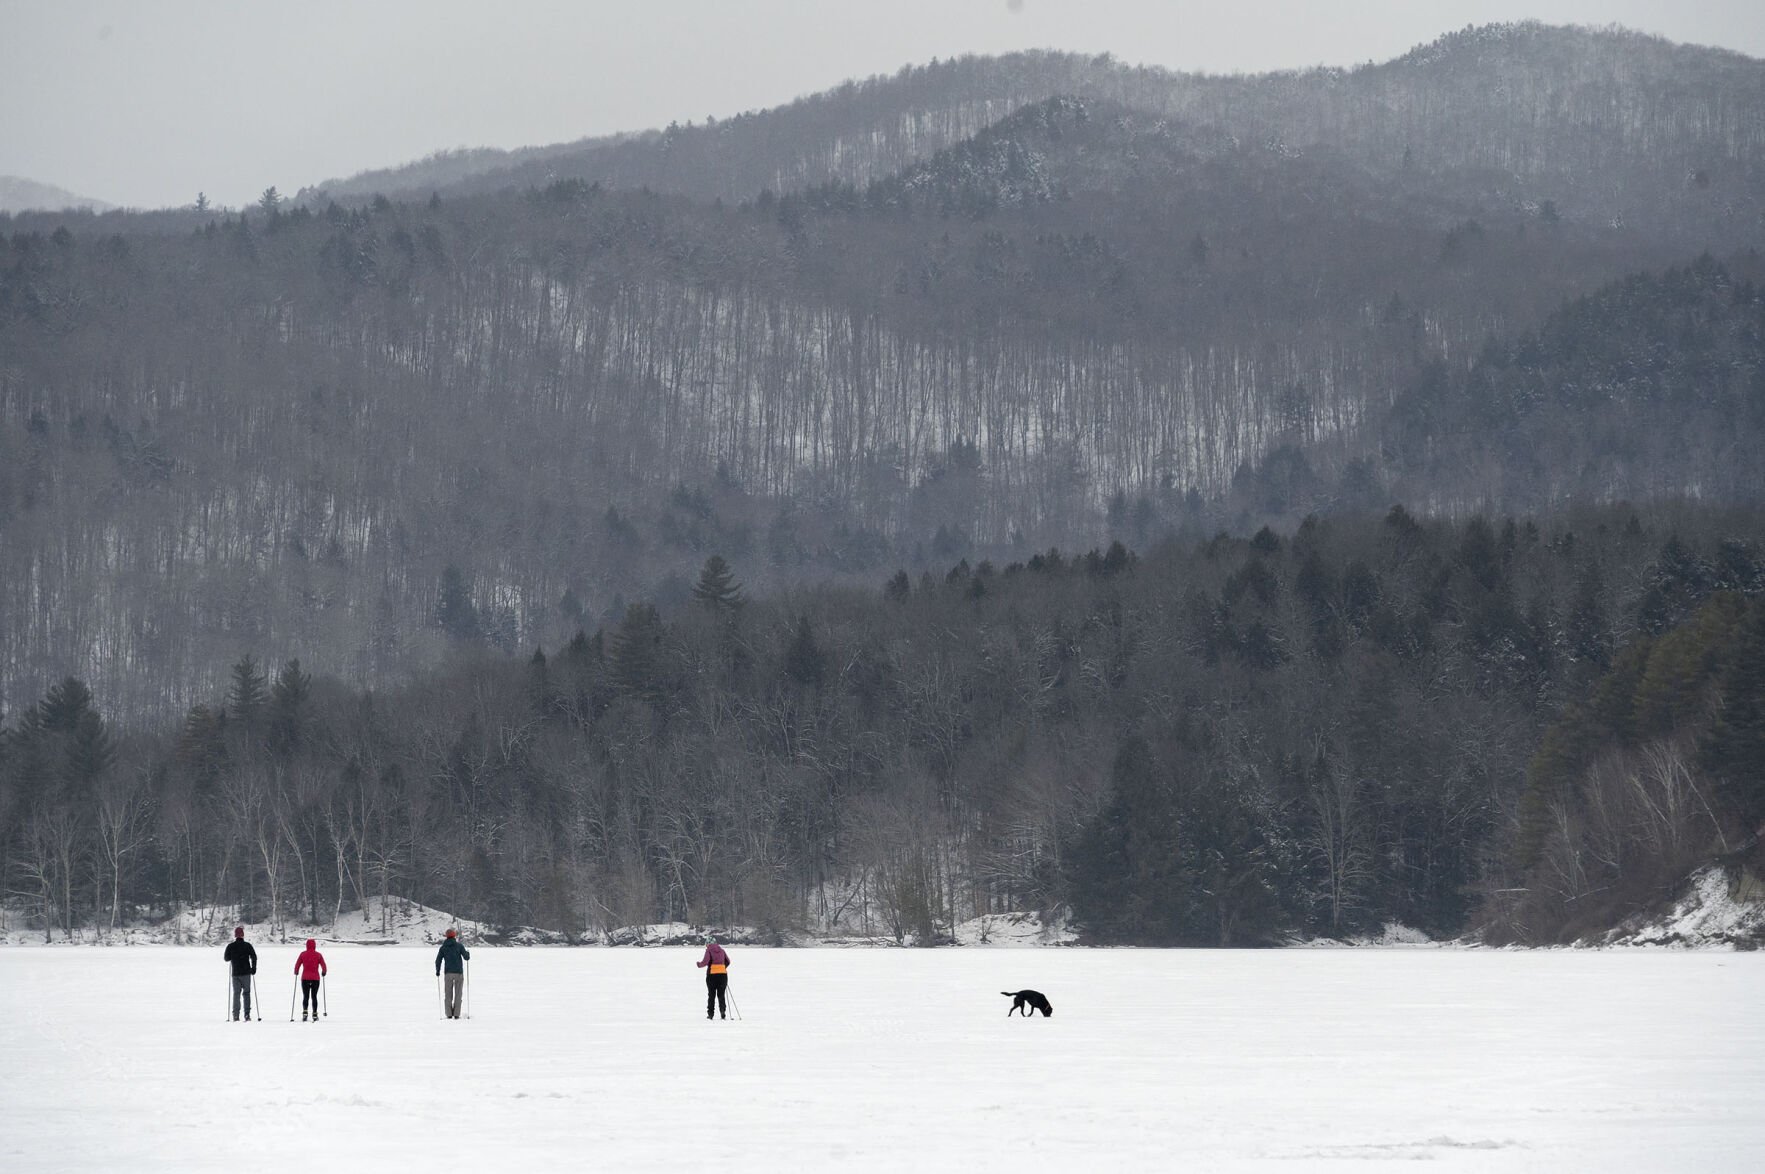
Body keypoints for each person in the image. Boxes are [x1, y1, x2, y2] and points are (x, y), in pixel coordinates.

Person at [435, 928, 470, 1019]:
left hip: (448, 973)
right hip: (458, 973)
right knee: (458, 994)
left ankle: (449, 1014)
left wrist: (438, 971)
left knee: (448, 994)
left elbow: (438, 961)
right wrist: (468, 953)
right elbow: (466, 957)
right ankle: (457, 1014)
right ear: (454, 936)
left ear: (446, 936)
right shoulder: (459, 946)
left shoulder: (443, 947)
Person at [223, 926, 257, 1021]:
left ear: (235, 935)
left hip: (236, 973)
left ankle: (236, 1015)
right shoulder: (248, 945)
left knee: (236, 994)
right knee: (246, 993)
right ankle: (247, 1014)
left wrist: (232, 956)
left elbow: (226, 958)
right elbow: (254, 956)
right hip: (246, 973)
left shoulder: (231, 946)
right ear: (243, 935)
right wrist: (253, 968)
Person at [696, 936, 730, 1019]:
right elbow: (728, 961)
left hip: (712, 975)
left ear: (708, 943)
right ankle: (723, 1011)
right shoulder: (722, 950)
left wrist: (699, 964)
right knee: (721, 995)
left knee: (711, 995)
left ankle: (710, 1014)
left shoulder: (709, 950)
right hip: (723, 975)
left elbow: (705, 962)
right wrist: (722, 967)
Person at [294, 938, 327, 1021]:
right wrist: (324, 972)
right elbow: (323, 965)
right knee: (314, 996)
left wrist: (296, 971)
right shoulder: (318, 955)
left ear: (307, 945)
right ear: (314, 945)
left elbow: (297, 964)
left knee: (306, 996)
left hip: (305, 978)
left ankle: (305, 1013)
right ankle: (315, 1014)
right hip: (315, 978)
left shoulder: (303, 954)